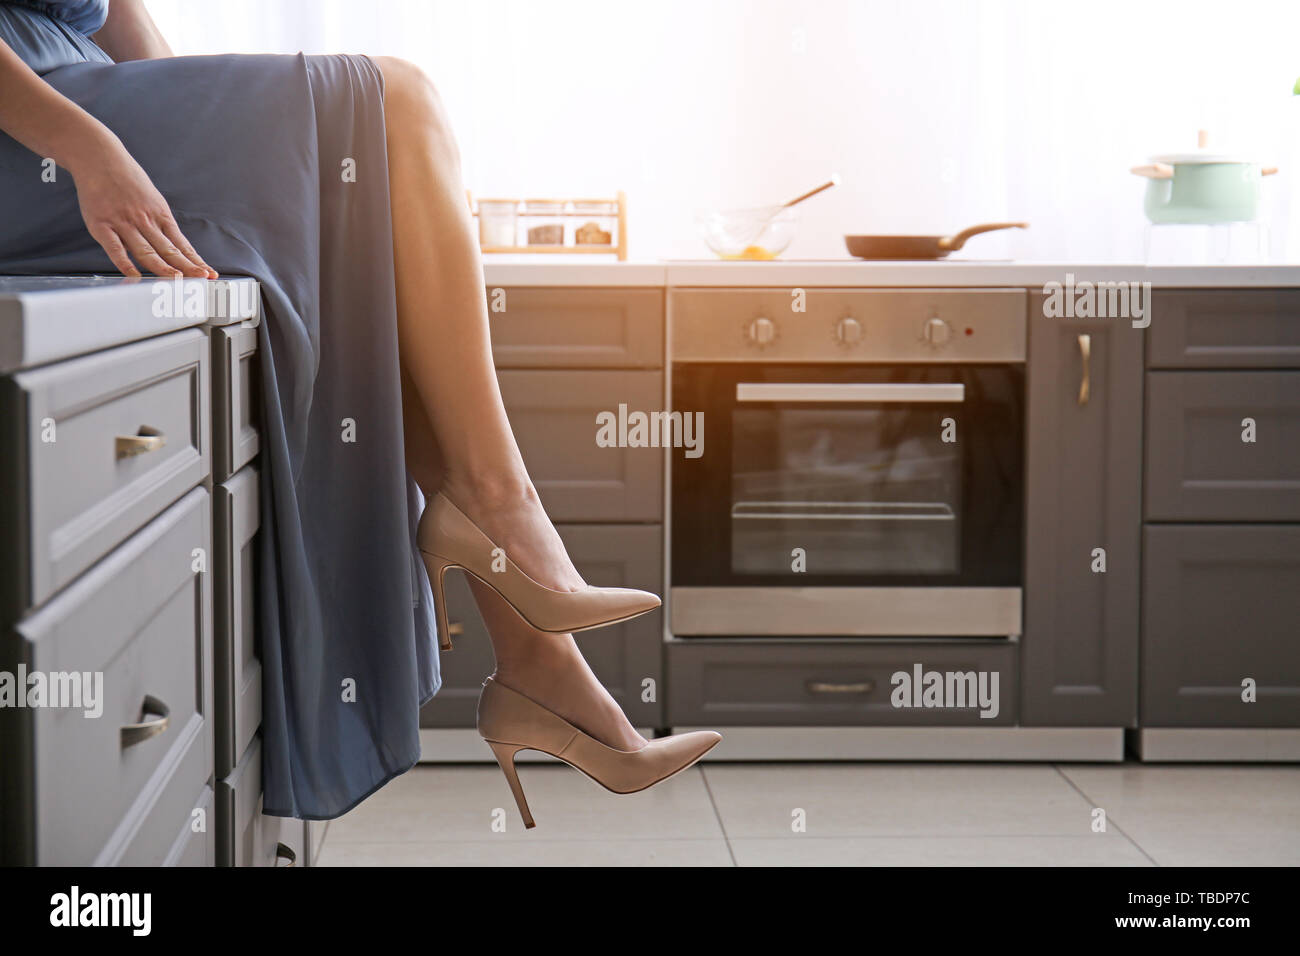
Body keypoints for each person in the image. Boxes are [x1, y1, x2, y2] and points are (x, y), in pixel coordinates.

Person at [0, 0, 718, 827]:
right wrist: (95, 148)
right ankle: (505, 527)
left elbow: (119, 16)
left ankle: (540, 659)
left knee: (354, 225)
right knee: (396, 101)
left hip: (85, 97)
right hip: (30, 130)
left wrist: (183, 110)